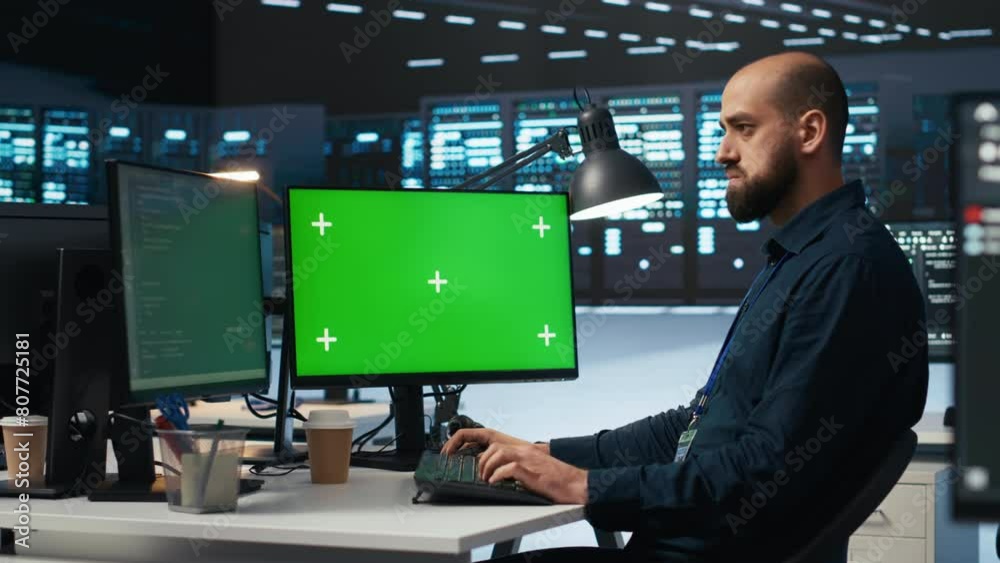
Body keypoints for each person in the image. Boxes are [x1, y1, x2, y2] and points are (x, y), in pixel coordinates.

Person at [442, 51, 929, 563]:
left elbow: (762, 474)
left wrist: (587, 486)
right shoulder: (804, 257)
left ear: (809, 133)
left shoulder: (846, 271)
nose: (722, 152)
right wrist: (547, 455)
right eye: (723, 130)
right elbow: (694, 425)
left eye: (743, 128)